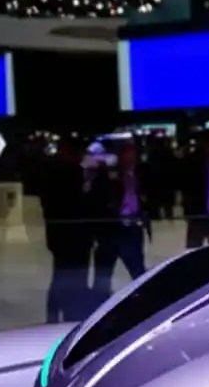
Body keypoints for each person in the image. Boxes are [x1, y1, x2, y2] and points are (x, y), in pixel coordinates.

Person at [40, 137, 93, 322]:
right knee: (65, 277)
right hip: (68, 236)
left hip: (71, 236)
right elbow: (71, 204)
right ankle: (61, 314)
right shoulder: (64, 174)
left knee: (67, 277)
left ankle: (64, 314)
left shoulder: (63, 173)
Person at [91, 140, 149, 297]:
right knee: (103, 276)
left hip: (133, 229)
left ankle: (144, 304)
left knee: (139, 273)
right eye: (126, 153)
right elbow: (97, 201)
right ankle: (100, 307)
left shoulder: (140, 174)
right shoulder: (107, 176)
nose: (130, 158)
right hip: (111, 231)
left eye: (133, 154)